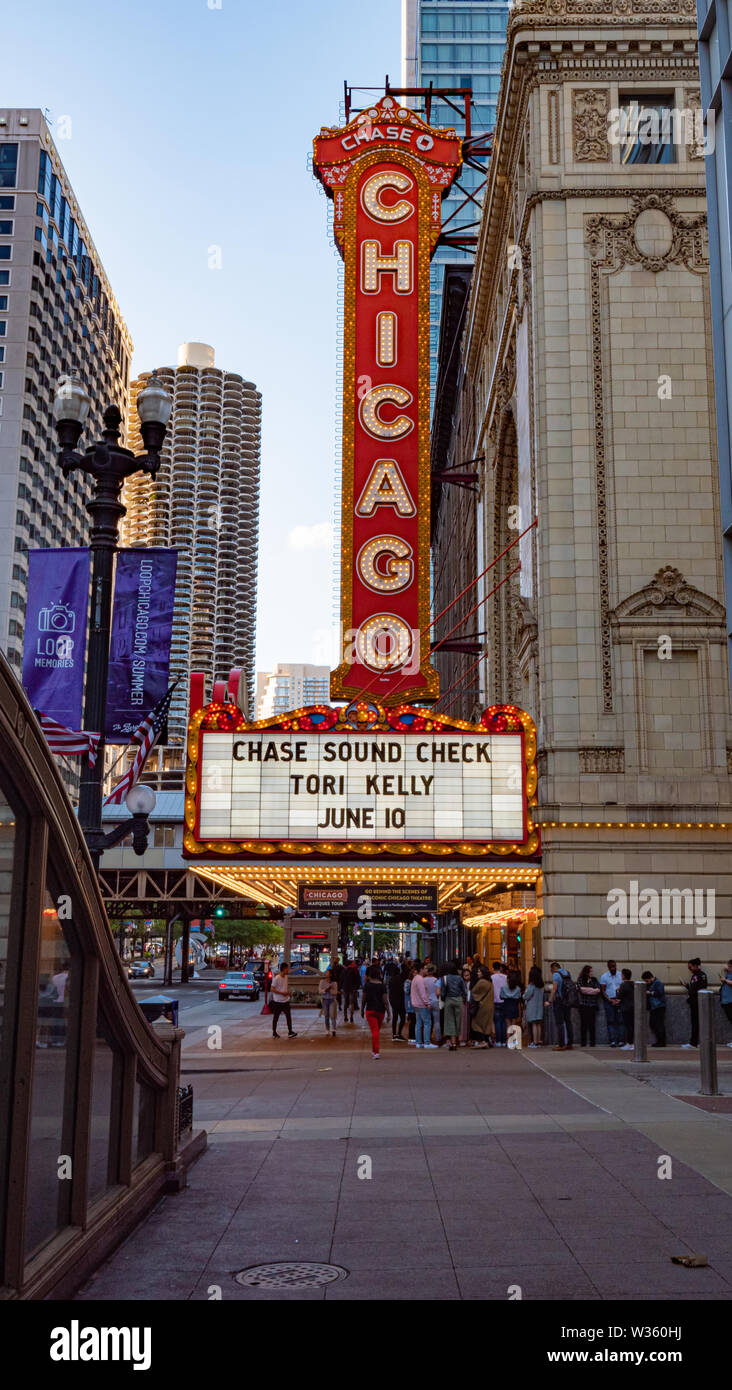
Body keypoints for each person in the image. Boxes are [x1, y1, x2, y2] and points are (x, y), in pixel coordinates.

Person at [547, 961, 574, 1050]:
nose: (551, 972)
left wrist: (549, 1001)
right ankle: (570, 1043)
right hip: (568, 1001)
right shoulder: (567, 973)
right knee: (568, 1022)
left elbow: (554, 989)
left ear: (553, 968)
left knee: (559, 1023)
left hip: (559, 1001)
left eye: (551, 970)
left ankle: (561, 1044)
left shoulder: (556, 974)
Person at [363, 964, 388, 1059]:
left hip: (370, 1010)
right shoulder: (382, 986)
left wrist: (362, 1009)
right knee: (376, 1031)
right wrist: (389, 1012)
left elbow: (364, 999)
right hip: (380, 1011)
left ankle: (375, 1051)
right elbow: (385, 1000)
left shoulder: (367, 985)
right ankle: (375, 1050)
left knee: (375, 1031)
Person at [441, 963, 467, 1050]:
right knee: (458, 1021)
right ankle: (456, 1040)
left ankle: (453, 1043)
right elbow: (464, 990)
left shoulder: (445, 978)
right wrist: (464, 999)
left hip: (449, 999)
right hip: (458, 999)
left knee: (450, 1021)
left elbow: (443, 992)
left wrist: (444, 999)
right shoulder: (459, 978)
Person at [683, 958, 708, 1048]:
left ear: (696, 966)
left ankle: (694, 1042)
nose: (689, 969)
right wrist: (687, 986)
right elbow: (694, 987)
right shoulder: (694, 976)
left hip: (697, 1002)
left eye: (690, 967)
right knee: (694, 1022)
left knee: (697, 1022)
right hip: (693, 1001)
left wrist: (692, 991)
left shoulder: (701, 975)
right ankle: (693, 1042)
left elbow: (701, 987)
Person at [599, 959, 625, 1048]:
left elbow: (623, 988)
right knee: (611, 1021)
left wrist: (619, 999)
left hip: (619, 1000)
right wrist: (609, 1000)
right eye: (611, 967)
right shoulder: (604, 977)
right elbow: (603, 990)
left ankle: (621, 1040)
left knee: (621, 1021)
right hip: (609, 1001)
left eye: (614, 966)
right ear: (608, 967)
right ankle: (613, 1041)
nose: (613, 968)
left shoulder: (620, 975)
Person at [411, 966, 436, 1049]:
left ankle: (418, 1042)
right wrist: (427, 1003)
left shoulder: (415, 979)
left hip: (416, 1004)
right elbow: (423, 993)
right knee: (427, 1022)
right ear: (421, 970)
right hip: (422, 1004)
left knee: (418, 1023)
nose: (427, 970)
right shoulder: (420, 980)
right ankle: (427, 1042)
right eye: (425, 968)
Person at [270, 962, 298, 1039]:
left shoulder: (286, 977)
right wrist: (281, 993)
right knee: (276, 1017)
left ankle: (290, 1031)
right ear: (284, 969)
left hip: (285, 1000)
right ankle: (274, 1032)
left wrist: (289, 992)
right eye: (287, 968)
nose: (288, 970)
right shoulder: (277, 978)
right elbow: (272, 988)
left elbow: (285, 987)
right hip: (278, 1001)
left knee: (288, 1016)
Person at [576, 965, 601, 1047]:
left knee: (592, 1025)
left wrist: (588, 990)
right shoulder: (580, 979)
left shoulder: (594, 980)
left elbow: (598, 990)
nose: (592, 973)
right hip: (583, 1005)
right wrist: (592, 990)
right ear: (586, 972)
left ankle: (592, 1042)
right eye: (590, 971)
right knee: (583, 1024)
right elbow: (581, 990)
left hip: (592, 1005)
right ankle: (583, 1042)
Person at [470, 967, 494, 1048]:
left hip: (482, 1006)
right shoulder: (489, 982)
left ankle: (482, 1041)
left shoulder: (481, 982)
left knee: (477, 1023)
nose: (478, 973)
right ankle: (487, 1040)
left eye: (479, 972)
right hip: (489, 1005)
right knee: (486, 1024)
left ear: (483, 973)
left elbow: (474, 991)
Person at [641, 970, 666, 1046]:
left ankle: (661, 1041)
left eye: (647, 981)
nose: (646, 982)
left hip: (659, 1006)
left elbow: (660, 992)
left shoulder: (658, 983)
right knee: (653, 1024)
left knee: (658, 1024)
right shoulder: (652, 983)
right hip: (654, 1007)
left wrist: (650, 993)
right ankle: (660, 1041)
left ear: (651, 977)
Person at [523, 966, 544, 1047]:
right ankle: (538, 1041)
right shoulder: (541, 985)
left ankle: (534, 1042)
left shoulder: (531, 986)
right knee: (538, 1024)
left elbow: (527, 996)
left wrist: (523, 995)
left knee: (534, 1024)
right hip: (539, 1007)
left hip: (532, 1007)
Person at [500, 970, 523, 1045]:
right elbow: (519, 997)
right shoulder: (518, 988)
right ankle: (515, 1040)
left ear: (508, 979)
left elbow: (501, 997)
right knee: (514, 1025)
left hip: (506, 1005)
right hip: (514, 1006)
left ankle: (508, 1041)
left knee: (508, 1025)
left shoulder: (503, 987)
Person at [491, 960, 508, 1046]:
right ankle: (504, 1041)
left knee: (497, 1021)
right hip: (504, 1001)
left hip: (495, 1001)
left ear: (493, 968)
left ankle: (498, 1041)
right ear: (500, 968)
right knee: (503, 1021)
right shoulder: (505, 977)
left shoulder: (492, 978)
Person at [617, 968, 635, 1048]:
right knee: (632, 1025)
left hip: (625, 1007)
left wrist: (617, 991)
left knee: (628, 1026)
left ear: (624, 975)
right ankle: (632, 1043)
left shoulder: (623, 985)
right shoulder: (633, 984)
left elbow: (619, 996)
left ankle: (629, 1044)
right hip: (633, 1007)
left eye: (622, 974)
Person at [424, 965, 442, 1045]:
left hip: (427, 1002)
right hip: (435, 1001)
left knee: (427, 1022)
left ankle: (427, 1038)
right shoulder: (436, 980)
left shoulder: (423, 980)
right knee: (437, 1022)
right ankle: (438, 1038)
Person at [318, 969, 339, 1037]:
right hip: (325, 1000)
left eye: (327, 972)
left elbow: (335, 992)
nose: (326, 973)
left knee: (332, 1015)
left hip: (332, 1000)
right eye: (326, 972)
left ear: (330, 974)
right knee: (326, 1015)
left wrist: (330, 990)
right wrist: (326, 989)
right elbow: (320, 991)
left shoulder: (334, 983)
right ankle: (327, 1029)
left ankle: (334, 1029)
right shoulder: (322, 981)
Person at [389, 964, 406, 1042]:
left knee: (395, 1018)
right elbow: (402, 991)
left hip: (393, 1000)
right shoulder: (400, 979)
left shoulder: (391, 979)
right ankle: (399, 1033)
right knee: (402, 1018)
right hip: (400, 1000)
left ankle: (394, 1034)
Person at [341, 959, 361, 1023]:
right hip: (353, 989)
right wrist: (357, 987)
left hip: (345, 988)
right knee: (352, 1003)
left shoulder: (344, 970)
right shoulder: (355, 970)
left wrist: (341, 987)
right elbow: (358, 979)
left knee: (345, 1003)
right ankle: (351, 1016)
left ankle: (345, 1016)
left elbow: (341, 980)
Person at [459, 966, 472, 1046]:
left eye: (468, 975)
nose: (467, 977)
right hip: (463, 1003)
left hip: (470, 1003)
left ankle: (469, 1038)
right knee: (463, 1021)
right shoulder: (461, 983)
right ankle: (462, 1038)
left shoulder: (472, 983)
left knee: (470, 1021)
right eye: (465, 975)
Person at [404, 966, 417, 1044]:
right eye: (414, 973)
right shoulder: (408, 982)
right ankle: (411, 1037)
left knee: (414, 1020)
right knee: (413, 1020)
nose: (416, 974)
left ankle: (413, 1036)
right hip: (410, 1003)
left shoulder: (410, 982)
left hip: (413, 1003)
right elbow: (406, 991)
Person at [721, 960, 732, 1047]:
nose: (728, 968)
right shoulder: (728, 974)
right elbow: (724, 981)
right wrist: (725, 973)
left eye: (730, 966)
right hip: (725, 1001)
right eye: (728, 966)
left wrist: (725, 980)